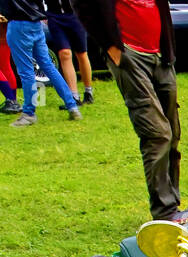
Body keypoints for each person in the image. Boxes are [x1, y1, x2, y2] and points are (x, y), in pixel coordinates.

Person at [75, 0, 182, 220]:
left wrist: (166, 48)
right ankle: (165, 212)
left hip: (160, 53)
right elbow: (82, 5)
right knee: (157, 134)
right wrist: (111, 46)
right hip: (129, 55)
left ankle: (174, 206)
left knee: (173, 133)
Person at [0, 0, 82, 126]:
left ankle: (29, 113)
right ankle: (72, 106)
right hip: (36, 23)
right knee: (48, 66)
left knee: (26, 72)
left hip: (18, 24)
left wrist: (3, 13)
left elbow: (3, 6)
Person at [46, 0, 94, 105]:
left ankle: (88, 91)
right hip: (54, 16)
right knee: (64, 53)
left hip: (75, 15)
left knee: (81, 53)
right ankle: (74, 95)